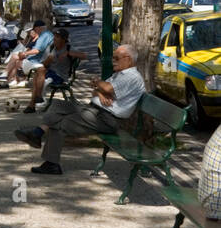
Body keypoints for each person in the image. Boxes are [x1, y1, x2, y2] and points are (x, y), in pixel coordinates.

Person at [15, 44, 145, 174]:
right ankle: (38, 134)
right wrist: (100, 91)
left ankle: (48, 157)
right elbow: (96, 91)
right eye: (113, 58)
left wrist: (97, 83)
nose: (113, 61)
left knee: (61, 122)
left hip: (107, 119)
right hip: (95, 111)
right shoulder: (120, 74)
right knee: (58, 105)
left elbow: (107, 88)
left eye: (116, 58)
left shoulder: (131, 76)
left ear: (128, 59)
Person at [22, 28, 86, 114]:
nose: (55, 39)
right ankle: (37, 98)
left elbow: (84, 56)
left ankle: (34, 102)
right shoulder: (52, 47)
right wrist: (48, 60)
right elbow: (45, 64)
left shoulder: (69, 47)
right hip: (50, 73)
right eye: (55, 37)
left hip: (60, 76)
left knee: (39, 73)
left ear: (64, 39)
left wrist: (69, 53)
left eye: (58, 37)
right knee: (39, 72)